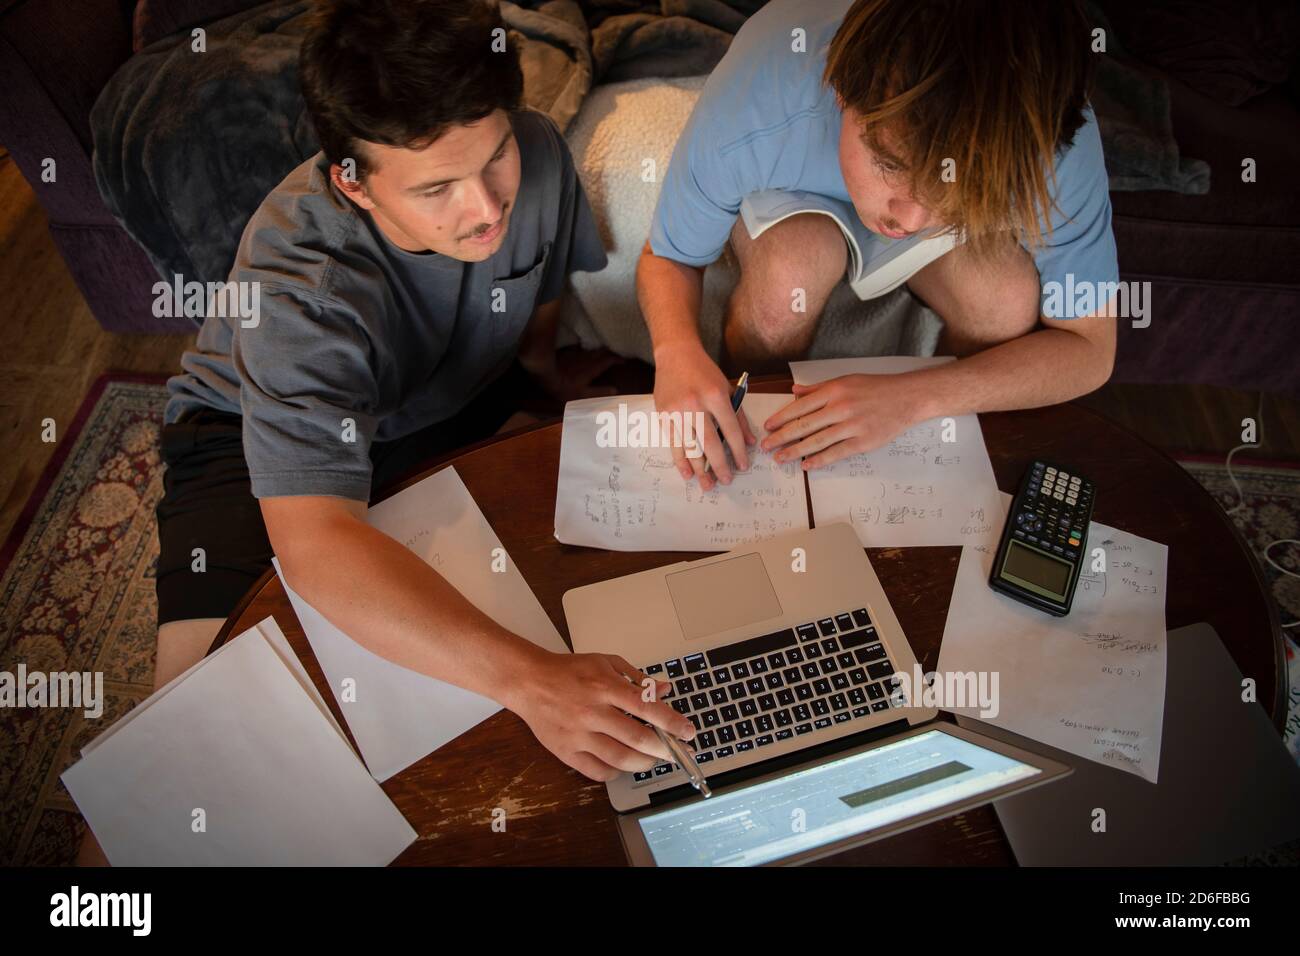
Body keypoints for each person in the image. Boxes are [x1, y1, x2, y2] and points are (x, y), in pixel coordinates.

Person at [80, 0, 692, 864]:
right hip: (243, 431)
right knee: (180, 767)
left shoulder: (537, 153)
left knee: (557, 600)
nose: (483, 208)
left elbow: (540, 278)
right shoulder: (298, 280)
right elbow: (317, 544)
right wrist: (531, 681)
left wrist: (544, 372)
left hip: (448, 399)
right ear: (352, 182)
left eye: (493, 161)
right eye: (436, 190)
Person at [640, 0, 1118, 488]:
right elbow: (668, 255)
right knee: (786, 285)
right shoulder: (762, 89)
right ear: (842, 92)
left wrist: (914, 398)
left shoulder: (1047, 141)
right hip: (792, 198)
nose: (909, 220)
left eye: (956, 189)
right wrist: (676, 351)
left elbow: (1091, 348)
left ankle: (949, 449)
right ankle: (754, 420)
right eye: (889, 163)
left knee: (1005, 303)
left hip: (956, 242)